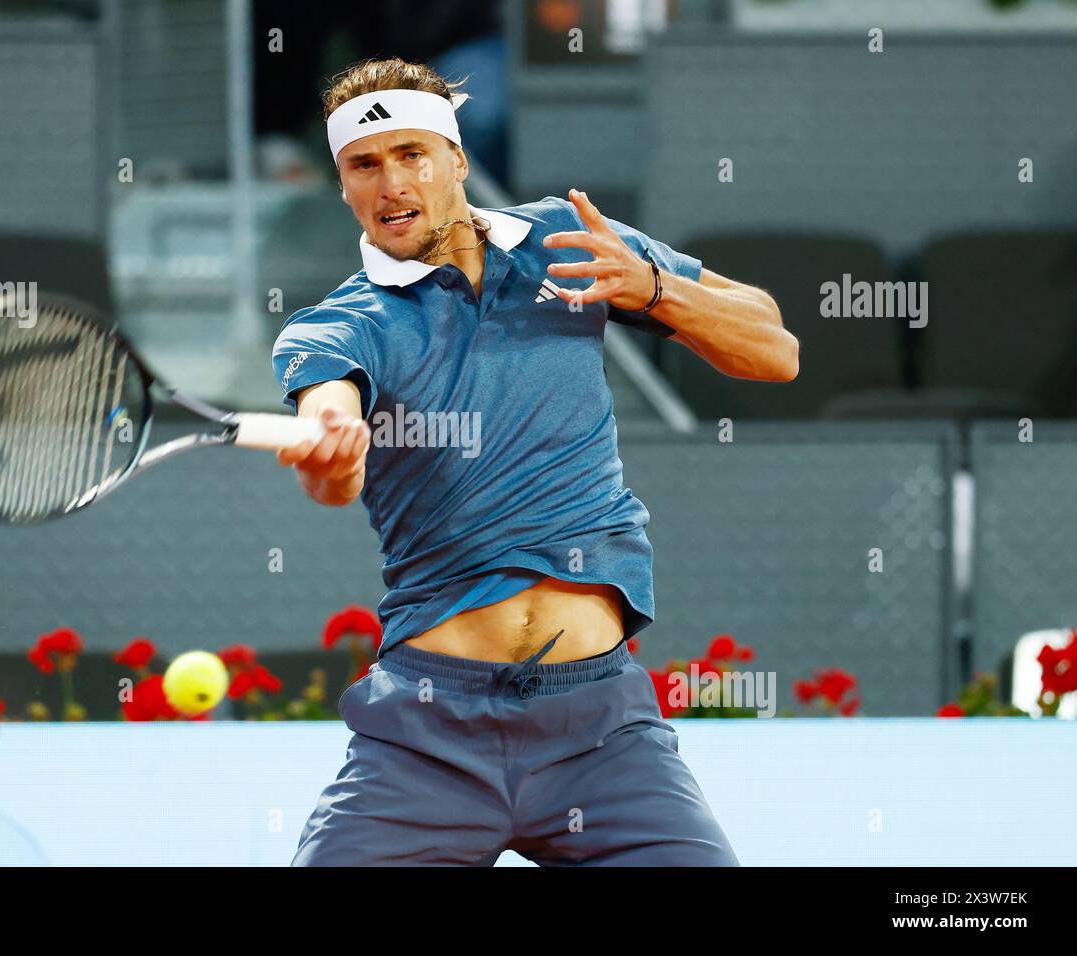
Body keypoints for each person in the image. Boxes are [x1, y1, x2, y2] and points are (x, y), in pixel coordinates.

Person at [271, 58, 798, 866]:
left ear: (456, 160)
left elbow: (775, 349)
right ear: (342, 185)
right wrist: (334, 446)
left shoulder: (562, 239)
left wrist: (651, 287)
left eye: (412, 154)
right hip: (426, 735)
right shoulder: (337, 327)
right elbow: (330, 443)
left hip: (601, 732)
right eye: (364, 165)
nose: (390, 184)